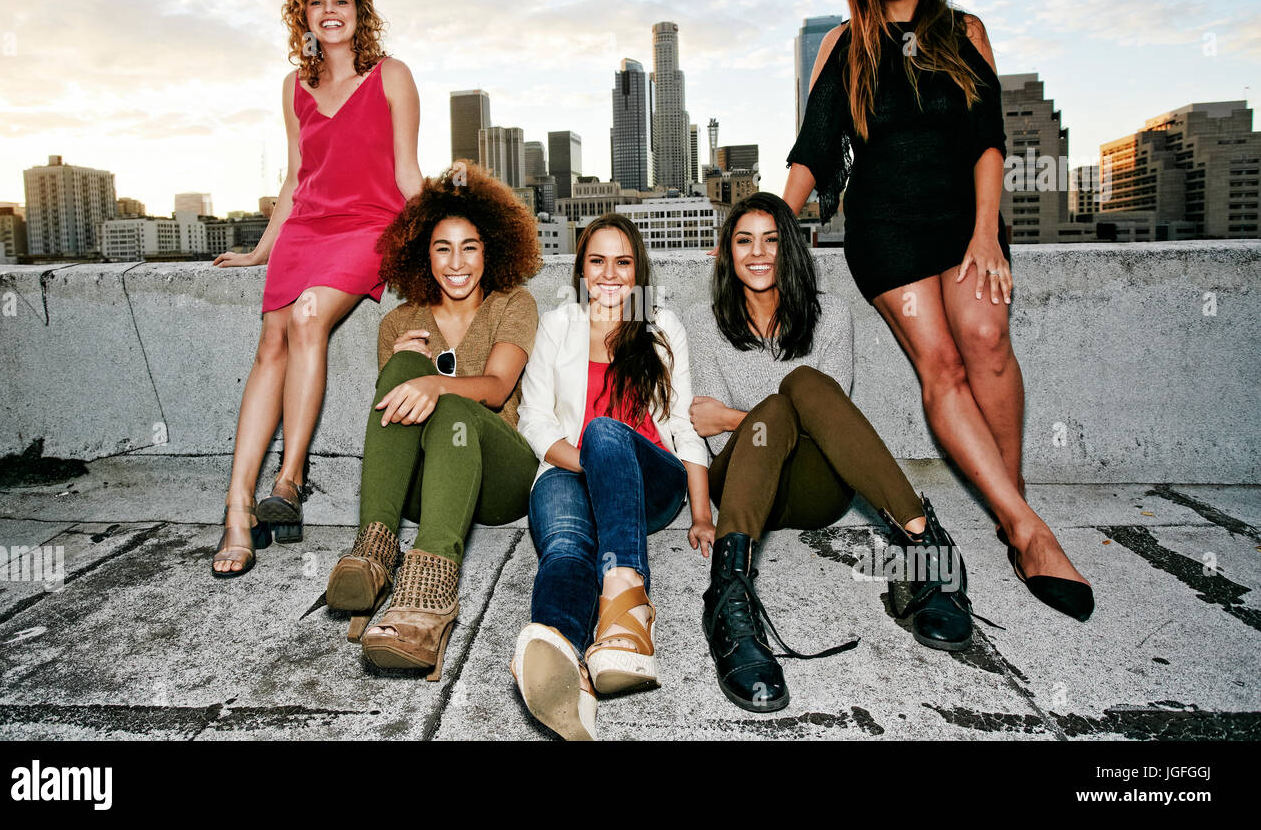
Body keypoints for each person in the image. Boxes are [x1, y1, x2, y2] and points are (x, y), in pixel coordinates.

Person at [783, 0, 1092, 621]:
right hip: (885, 225)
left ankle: (1006, 505)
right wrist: (765, 223)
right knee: (943, 365)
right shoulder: (846, 43)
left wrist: (987, 231)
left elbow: (987, 139)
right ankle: (1027, 530)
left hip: (963, 218)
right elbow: (814, 151)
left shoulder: (965, 31)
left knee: (986, 338)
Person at [687, 194, 976, 714]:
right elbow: (708, 434)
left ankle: (924, 546)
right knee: (779, 406)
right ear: (727, 252)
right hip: (746, 487)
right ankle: (728, 598)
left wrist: (740, 414)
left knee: (802, 386)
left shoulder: (831, 315)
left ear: (791, 248)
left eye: (772, 240)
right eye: (744, 240)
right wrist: (764, 418)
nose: (759, 253)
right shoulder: (703, 324)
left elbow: (826, 421)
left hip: (818, 488)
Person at [210, 0, 422, 577]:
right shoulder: (293, 88)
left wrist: (447, 233)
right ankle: (235, 512)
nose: (330, 10)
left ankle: (291, 476)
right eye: (316, 2)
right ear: (302, 16)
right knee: (269, 346)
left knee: (307, 318)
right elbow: (294, 177)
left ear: (361, 11)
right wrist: (261, 248)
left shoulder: (392, 76)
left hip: (368, 226)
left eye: (342, 0)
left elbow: (407, 172)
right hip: (306, 228)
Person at [325, 163, 542, 679]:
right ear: (425, 254)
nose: (457, 262)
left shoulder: (513, 304)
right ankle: (375, 549)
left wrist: (435, 382)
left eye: (469, 246)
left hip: (498, 474)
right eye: (443, 248)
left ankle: (430, 591)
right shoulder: (400, 321)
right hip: (430, 482)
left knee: (448, 404)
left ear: (490, 250)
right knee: (404, 366)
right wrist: (410, 371)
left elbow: (494, 388)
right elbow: (396, 427)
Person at [511, 214, 710, 740]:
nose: (609, 275)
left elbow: (685, 424)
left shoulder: (663, 325)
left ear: (637, 270)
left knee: (603, 432)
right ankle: (561, 660)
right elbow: (533, 417)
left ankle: (629, 608)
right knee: (567, 548)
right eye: (596, 262)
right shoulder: (558, 325)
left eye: (622, 263)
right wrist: (588, 466)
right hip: (565, 468)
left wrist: (703, 511)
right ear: (581, 269)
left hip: (649, 482)